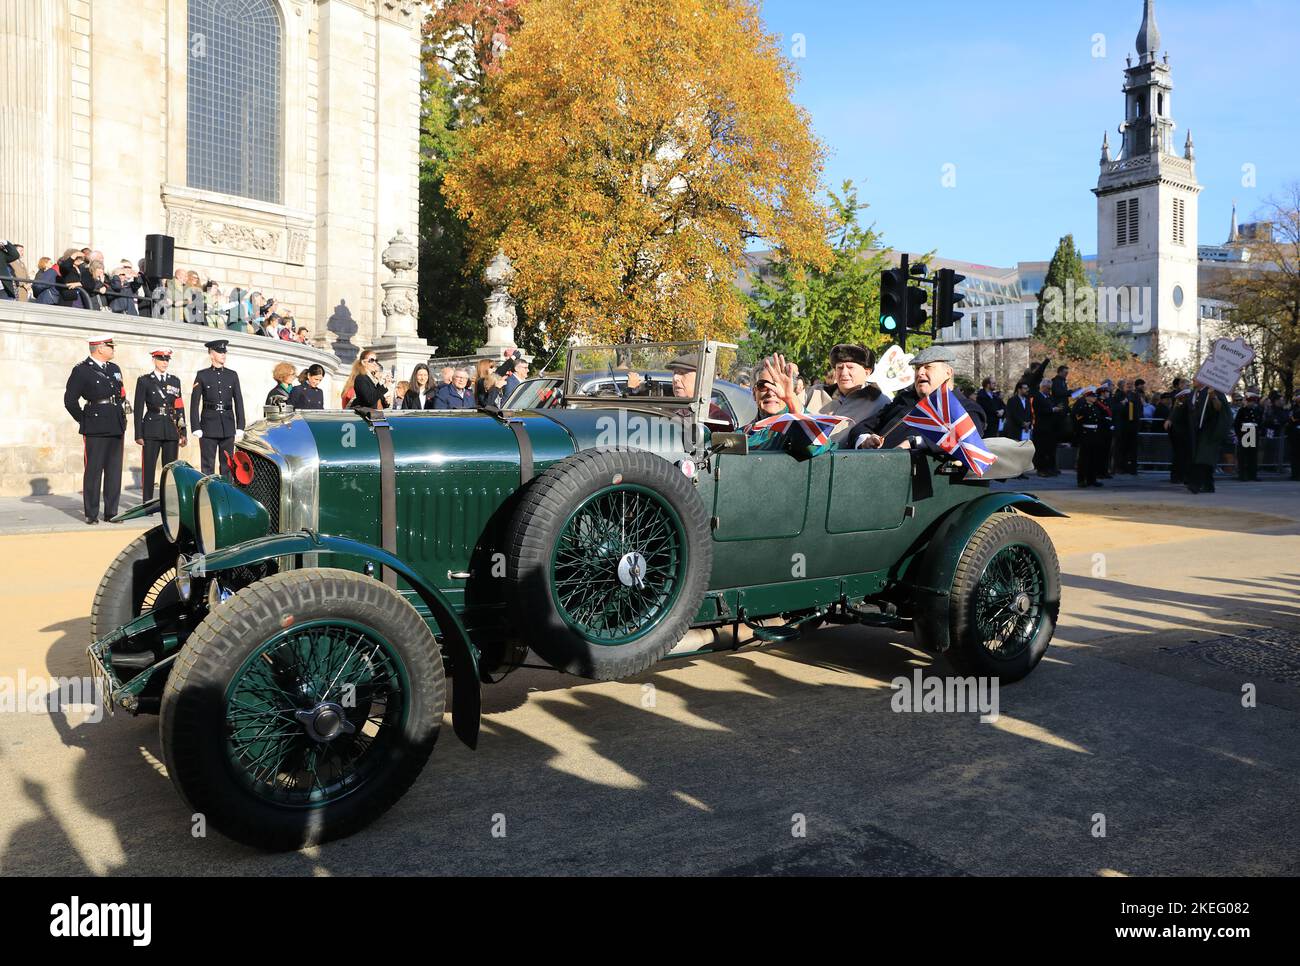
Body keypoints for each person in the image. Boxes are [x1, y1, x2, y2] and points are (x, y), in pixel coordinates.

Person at [854, 345, 986, 450]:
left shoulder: (965, 408)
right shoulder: (903, 401)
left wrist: (915, 442)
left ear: (948, 372)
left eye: (928, 367)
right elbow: (862, 427)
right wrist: (865, 440)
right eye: (917, 368)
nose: (920, 373)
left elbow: (966, 439)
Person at [63, 334, 127, 524]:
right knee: (93, 470)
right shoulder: (82, 370)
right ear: (99, 348)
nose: (113, 349)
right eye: (110, 346)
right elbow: (70, 401)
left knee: (114, 471)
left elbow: (121, 394)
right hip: (95, 426)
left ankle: (111, 512)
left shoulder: (115, 369)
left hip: (116, 423)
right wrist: (85, 420)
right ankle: (91, 513)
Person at [743, 354, 842, 459]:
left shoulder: (795, 428)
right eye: (763, 385)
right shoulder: (742, 434)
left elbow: (816, 446)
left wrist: (790, 399)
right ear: (754, 393)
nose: (771, 392)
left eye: (778, 386)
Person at [133, 348, 186, 502]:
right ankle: (147, 501)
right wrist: (138, 433)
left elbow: (179, 407)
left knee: (170, 470)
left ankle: (168, 502)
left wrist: (183, 432)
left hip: (170, 428)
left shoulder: (175, 381)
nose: (164, 363)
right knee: (149, 467)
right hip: (151, 427)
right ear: (154, 360)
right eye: (161, 359)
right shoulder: (144, 381)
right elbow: (138, 409)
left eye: (167, 360)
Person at [806, 344, 892, 432]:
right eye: (840, 367)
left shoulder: (880, 403)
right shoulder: (815, 393)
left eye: (850, 367)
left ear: (867, 372)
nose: (844, 373)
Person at [191, 339, 246, 475]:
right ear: (211, 354)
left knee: (227, 465)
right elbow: (194, 403)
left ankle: (226, 494)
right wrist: (196, 426)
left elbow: (238, 401)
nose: (223, 354)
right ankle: (207, 494)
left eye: (224, 352)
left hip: (227, 425)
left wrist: (240, 425)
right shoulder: (202, 375)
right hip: (208, 426)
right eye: (220, 352)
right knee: (207, 465)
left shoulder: (232, 375)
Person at [1185, 381, 1230, 494]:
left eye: (1196, 378)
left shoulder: (1213, 391)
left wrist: (1213, 396)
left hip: (1210, 430)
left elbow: (1219, 408)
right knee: (1204, 457)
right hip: (1196, 430)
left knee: (1203, 457)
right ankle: (1209, 484)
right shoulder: (1193, 393)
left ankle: (1195, 483)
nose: (1194, 380)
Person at [1071, 387, 1108, 488]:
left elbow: (1102, 417)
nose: (1094, 398)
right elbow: (1077, 421)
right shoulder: (1083, 408)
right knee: (1084, 459)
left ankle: (1092, 479)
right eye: (1092, 396)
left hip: (1095, 434)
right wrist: (1078, 434)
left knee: (1094, 458)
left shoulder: (1096, 407)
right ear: (1087, 397)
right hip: (1086, 434)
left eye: (1094, 396)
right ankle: (1081, 480)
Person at [1233, 389, 1264, 482]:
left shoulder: (1257, 410)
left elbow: (1260, 421)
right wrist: (1239, 434)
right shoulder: (1242, 411)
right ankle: (1242, 475)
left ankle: (1252, 475)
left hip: (1253, 433)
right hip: (1245, 433)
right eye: (1250, 401)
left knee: (1253, 456)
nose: (1252, 403)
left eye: (1253, 402)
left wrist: (1258, 431)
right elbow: (1237, 423)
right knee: (1243, 456)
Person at [1113, 383, 1143, 475]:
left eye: (1131, 386)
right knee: (1121, 447)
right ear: (1123, 387)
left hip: (1133, 424)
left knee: (1133, 448)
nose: (1129, 387)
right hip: (1123, 424)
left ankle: (1132, 468)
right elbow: (1115, 409)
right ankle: (1120, 467)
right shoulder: (1118, 396)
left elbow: (1140, 408)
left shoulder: (1136, 396)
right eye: (1127, 386)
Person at [1167, 388, 1192, 485]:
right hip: (1181, 435)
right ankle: (1179, 476)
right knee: (1181, 457)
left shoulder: (1177, 408)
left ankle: (1178, 476)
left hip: (1181, 435)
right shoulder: (1180, 408)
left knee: (1180, 457)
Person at [1287, 393, 1300, 481]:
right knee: (1295, 456)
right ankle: (1295, 474)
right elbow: (1293, 419)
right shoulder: (1294, 409)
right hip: (1295, 435)